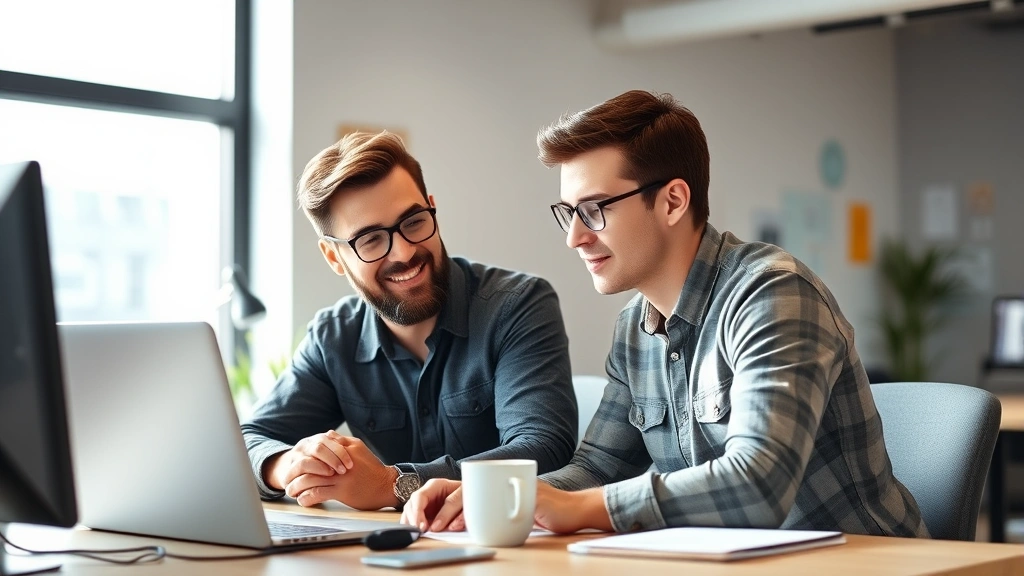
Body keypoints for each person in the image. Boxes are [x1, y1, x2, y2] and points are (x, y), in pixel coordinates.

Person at [402, 90, 928, 538]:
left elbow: (760, 484)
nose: (574, 237)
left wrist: (582, 508)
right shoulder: (635, 327)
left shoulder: (772, 293)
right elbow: (597, 468)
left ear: (673, 201)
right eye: (568, 213)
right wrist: (497, 495)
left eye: (594, 210)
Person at [241, 131, 577, 511]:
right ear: (334, 258)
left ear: (433, 209)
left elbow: (544, 447)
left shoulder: (517, 304)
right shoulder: (333, 338)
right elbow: (250, 438)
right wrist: (286, 466)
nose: (404, 252)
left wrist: (395, 485)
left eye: (414, 222)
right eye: (370, 240)